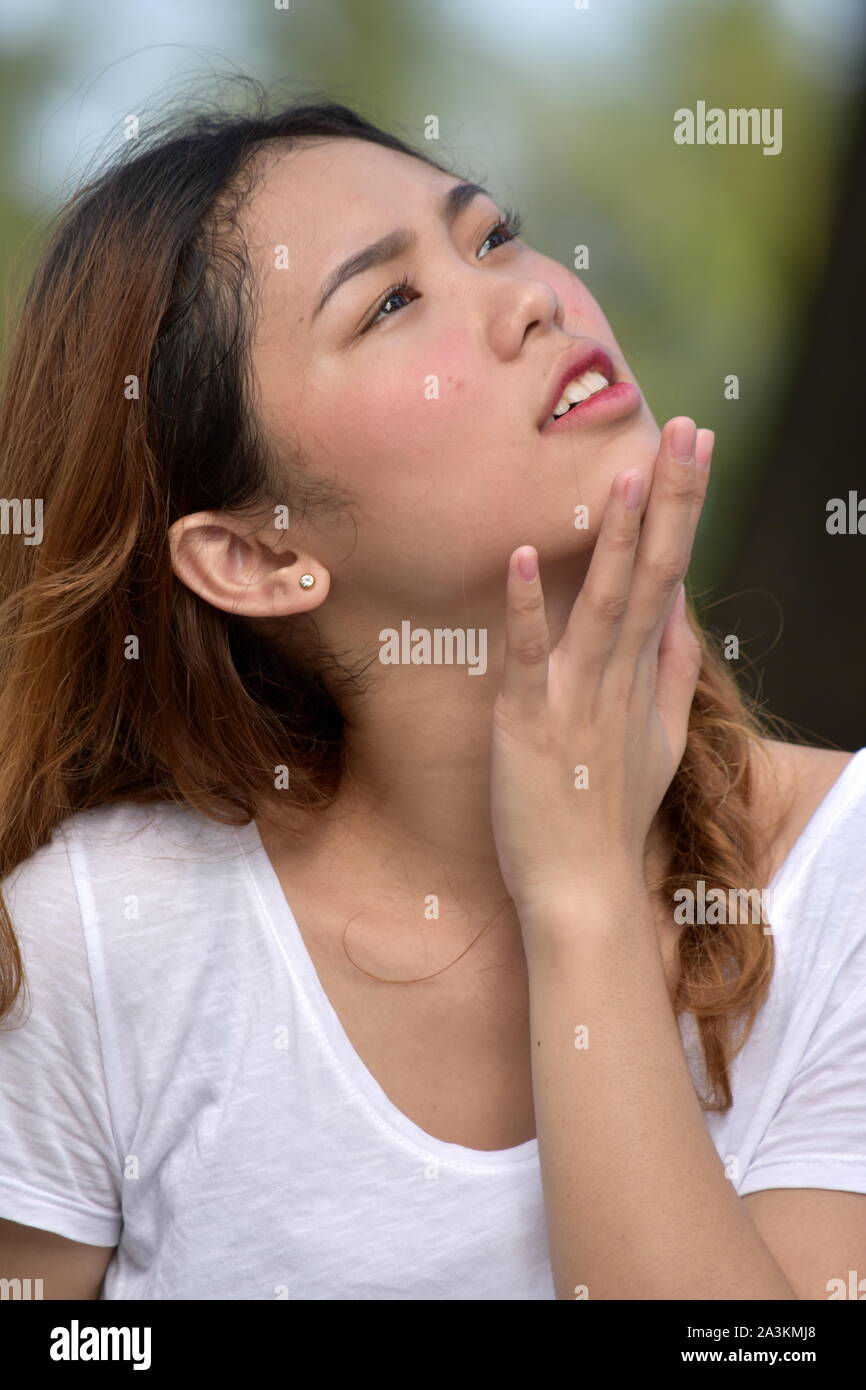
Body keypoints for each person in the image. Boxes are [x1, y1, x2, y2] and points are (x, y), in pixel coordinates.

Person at [0, 89, 863, 1302]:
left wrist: (579, 894)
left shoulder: (846, 879)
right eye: (391, 301)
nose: (531, 298)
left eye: (494, 236)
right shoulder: (95, 942)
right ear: (254, 556)